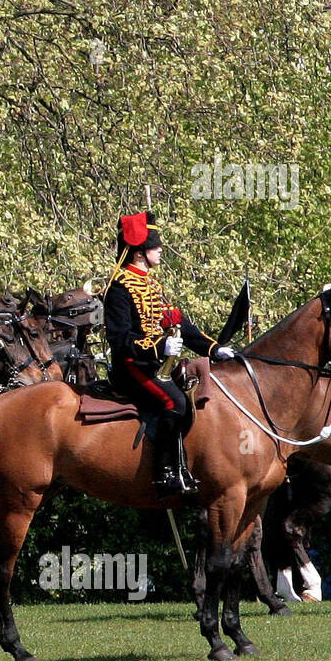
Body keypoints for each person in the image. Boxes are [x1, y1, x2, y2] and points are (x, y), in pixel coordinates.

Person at [103, 210, 233, 497]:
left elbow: (180, 325)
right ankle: (164, 472)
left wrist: (214, 348)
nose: (160, 250)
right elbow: (120, 339)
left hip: (155, 365)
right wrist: (158, 347)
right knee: (174, 402)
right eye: (154, 246)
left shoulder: (152, 285)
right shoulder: (119, 288)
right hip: (132, 366)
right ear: (139, 252)